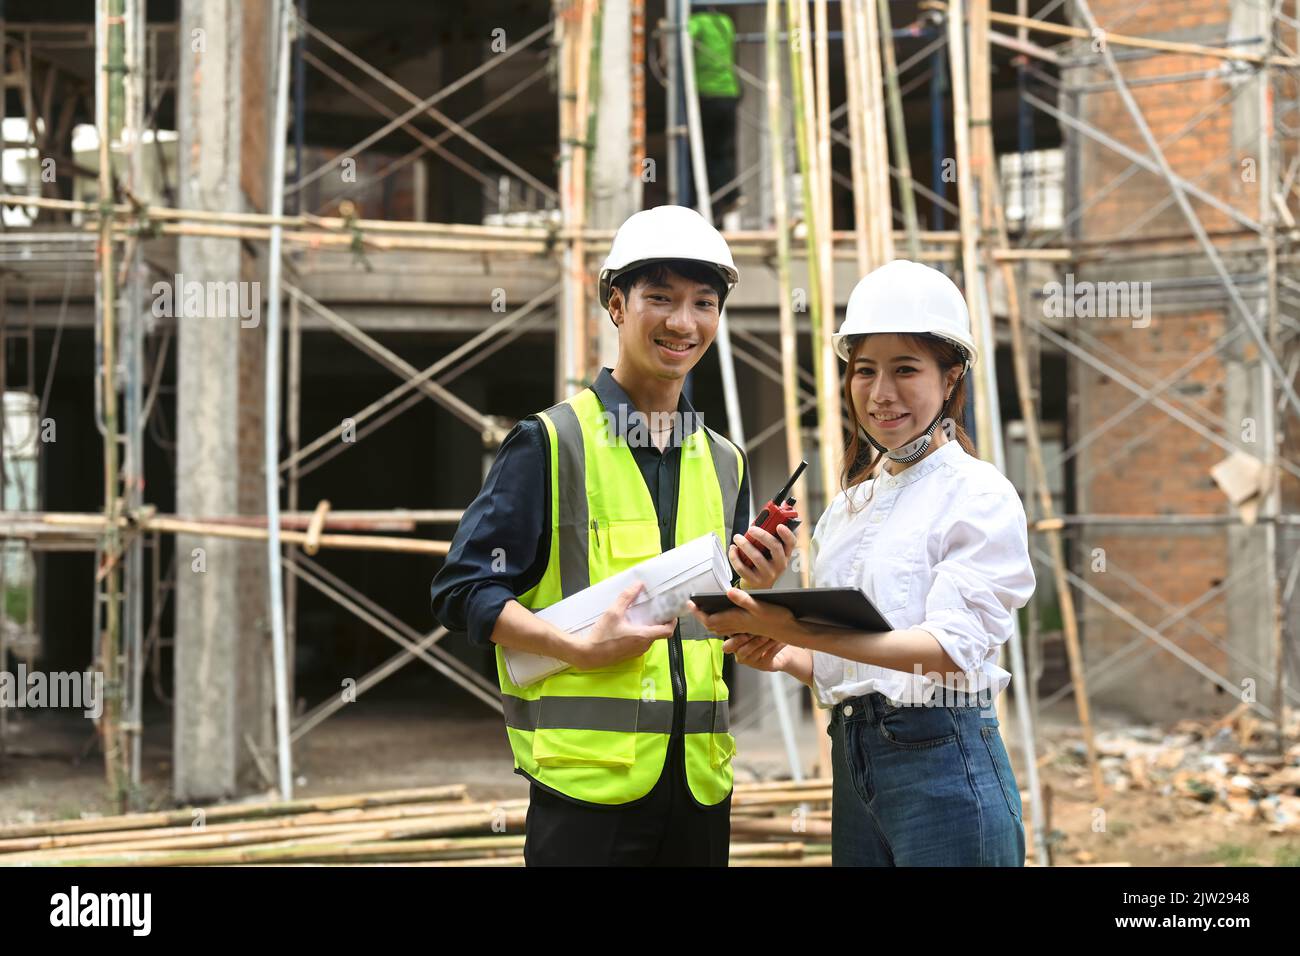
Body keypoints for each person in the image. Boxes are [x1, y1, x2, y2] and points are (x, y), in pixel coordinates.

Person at [430, 205, 796, 866]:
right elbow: (463, 589)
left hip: (700, 788)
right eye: (661, 298)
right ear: (615, 305)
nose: (683, 322)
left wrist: (759, 590)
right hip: (586, 797)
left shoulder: (725, 460)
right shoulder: (550, 443)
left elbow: (716, 615)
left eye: (703, 303)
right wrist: (572, 647)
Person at [689, 259, 1035, 866]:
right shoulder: (849, 508)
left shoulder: (978, 493)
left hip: (946, 767)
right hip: (853, 763)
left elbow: (947, 649)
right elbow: (852, 665)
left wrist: (791, 627)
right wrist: (782, 650)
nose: (880, 394)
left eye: (906, 369)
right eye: (864, 371)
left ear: (952, 377)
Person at [688, 5, 741, 217]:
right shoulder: (725, 22)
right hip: (730, 93)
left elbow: (679, 39)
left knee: (701, 152)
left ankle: (695, 203)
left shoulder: (696, 23)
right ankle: (730, 196)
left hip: (707, 95)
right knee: (721, 151)